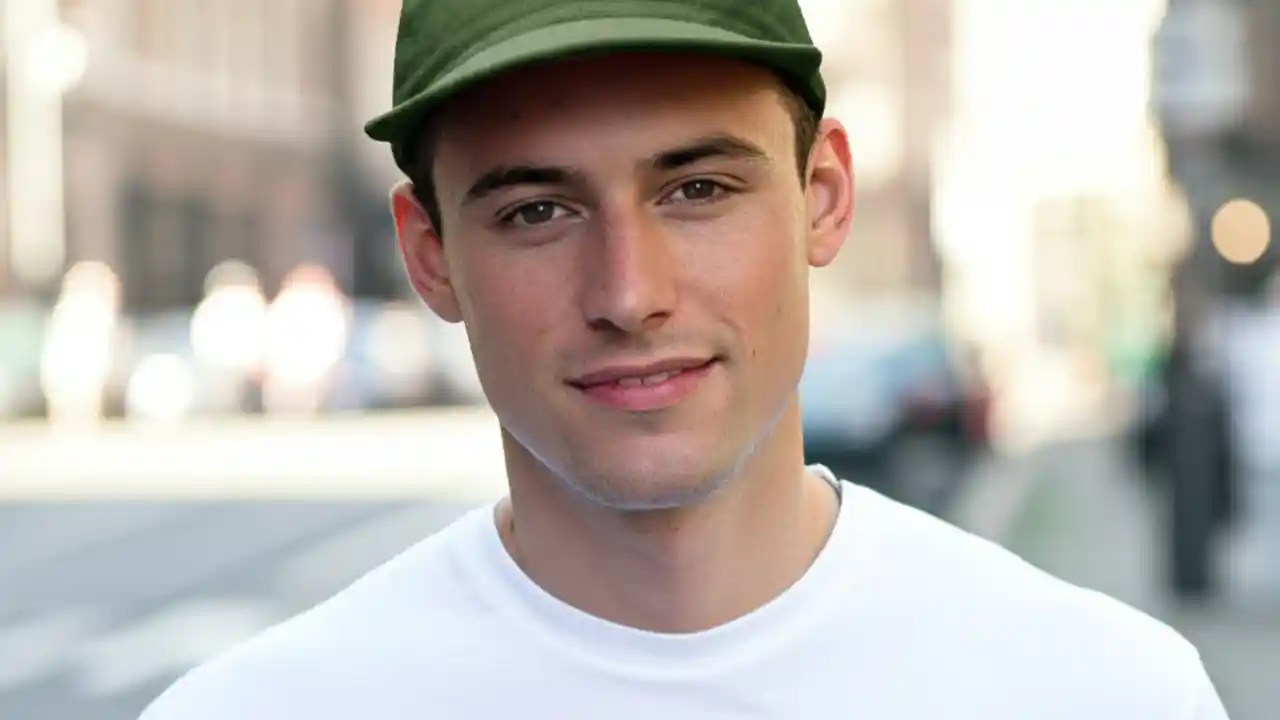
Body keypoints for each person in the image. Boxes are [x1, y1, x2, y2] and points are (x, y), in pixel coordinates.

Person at [141, 1, 1229, 717]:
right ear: (429, 259)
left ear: (822, 195)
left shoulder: (1100, 693)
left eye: (696, 190)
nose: (628, 293)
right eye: (536, 210)